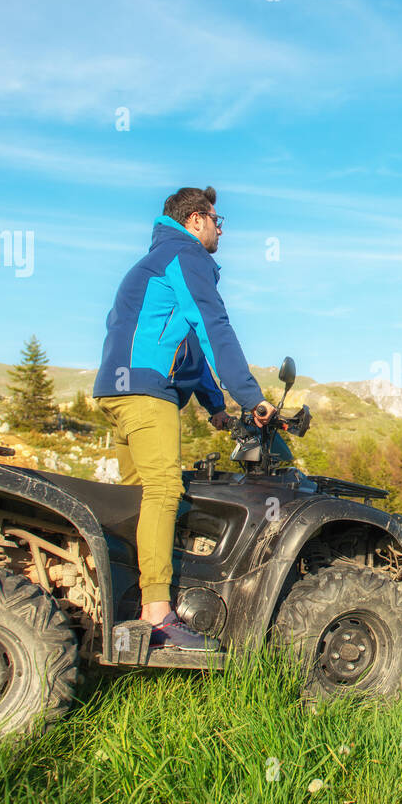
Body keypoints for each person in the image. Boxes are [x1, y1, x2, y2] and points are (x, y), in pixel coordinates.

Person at [92, 186, 275, 650]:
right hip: (146, 393)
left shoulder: (152, 263)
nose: (220, 229)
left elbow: (185, 347)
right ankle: (157, 617)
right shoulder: (185, 255)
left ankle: (125, 602)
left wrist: (216, 407)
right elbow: (213, 325)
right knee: (164, 489)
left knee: (136, 499)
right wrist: (250, 396)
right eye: (217, 221)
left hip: (116, 393)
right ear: (195, 220)